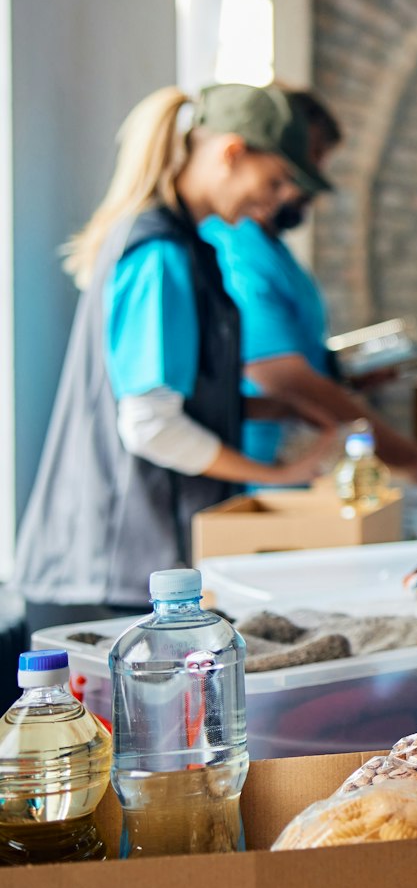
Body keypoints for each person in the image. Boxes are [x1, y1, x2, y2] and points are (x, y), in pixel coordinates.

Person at [14, 84, 340, 633]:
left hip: (134, 571)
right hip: (105, 578)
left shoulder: (193, 249)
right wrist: (275, 475)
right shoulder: (160, 252)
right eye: (275, 180)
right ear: (231, 153)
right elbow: (151, 425)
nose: (278, 198)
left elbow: (186, 394)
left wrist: (277, 414)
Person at [200, 89, 417, 484]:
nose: (305, 189)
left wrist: (337, 370)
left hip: (292, 466)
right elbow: (285, 379)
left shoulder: (273, 250)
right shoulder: (236, 251)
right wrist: (414, 459)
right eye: (300, 171)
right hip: (258, 473)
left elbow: (290, 360)